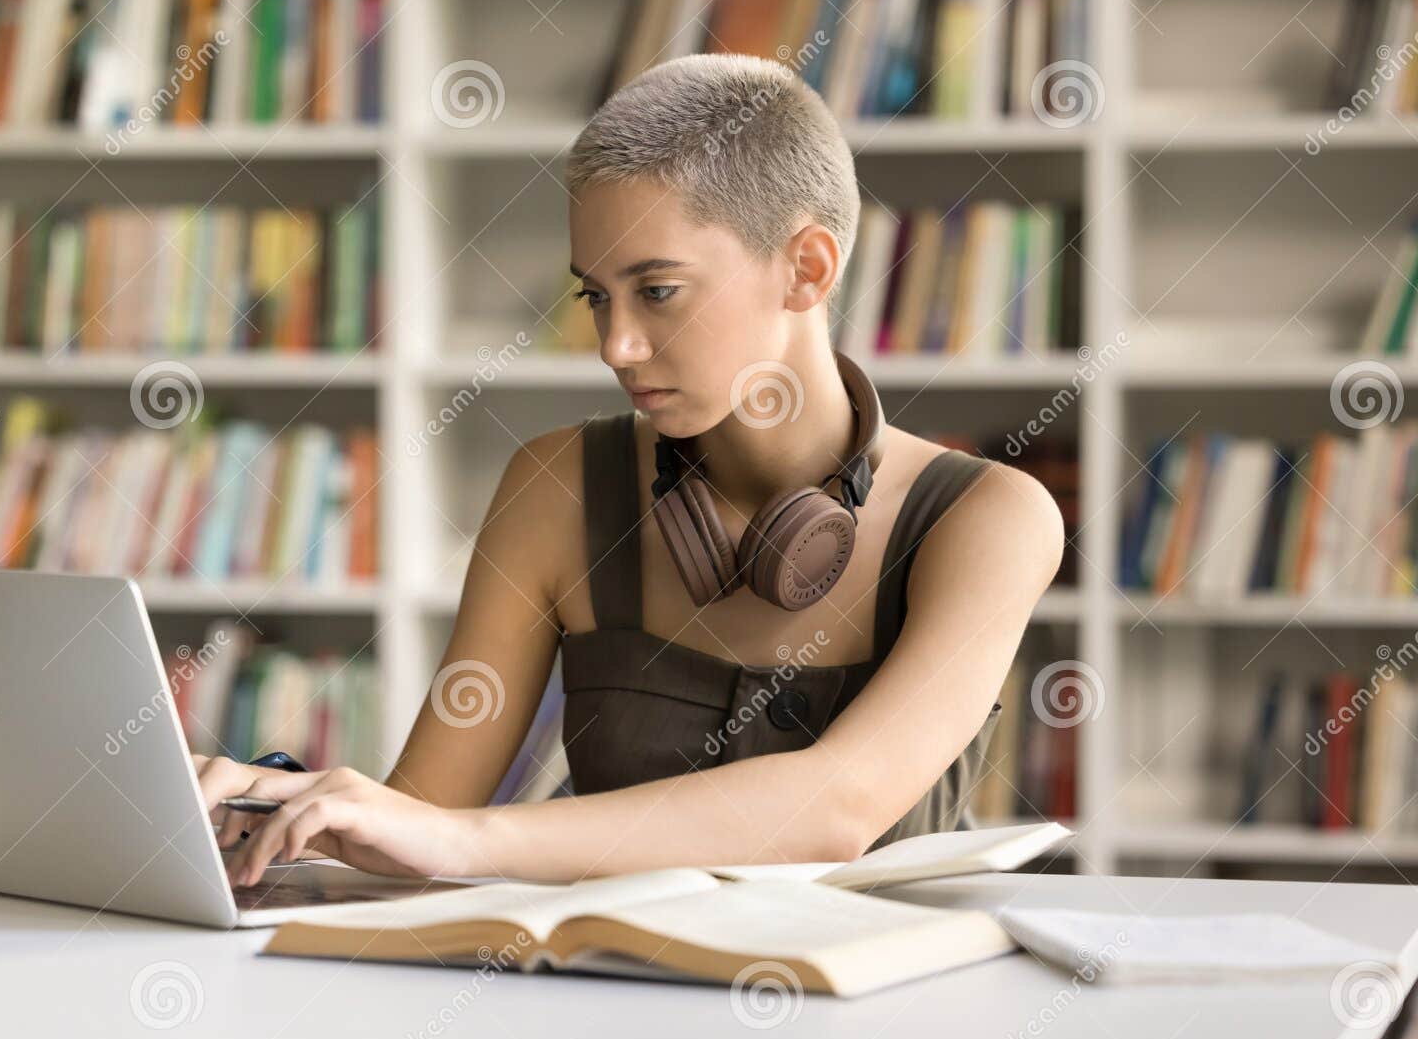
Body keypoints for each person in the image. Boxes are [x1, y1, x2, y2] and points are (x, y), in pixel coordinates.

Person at [196, 52, 1064, 889]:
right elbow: (421, 820)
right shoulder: (555, 488)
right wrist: (281, 806)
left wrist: (463, 839)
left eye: (657, 291)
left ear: (806, 270)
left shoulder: (990, 519)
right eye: (596, 295)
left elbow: (837, 807)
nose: (616, 346)